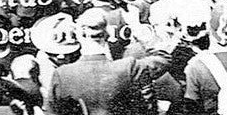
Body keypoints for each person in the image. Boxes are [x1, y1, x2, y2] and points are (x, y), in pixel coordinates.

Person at [45, 8, 176, 115]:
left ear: (79, 35)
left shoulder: (62, 75)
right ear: (108, 33)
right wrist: (141, 32)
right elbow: (163, 59)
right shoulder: (127, 67)